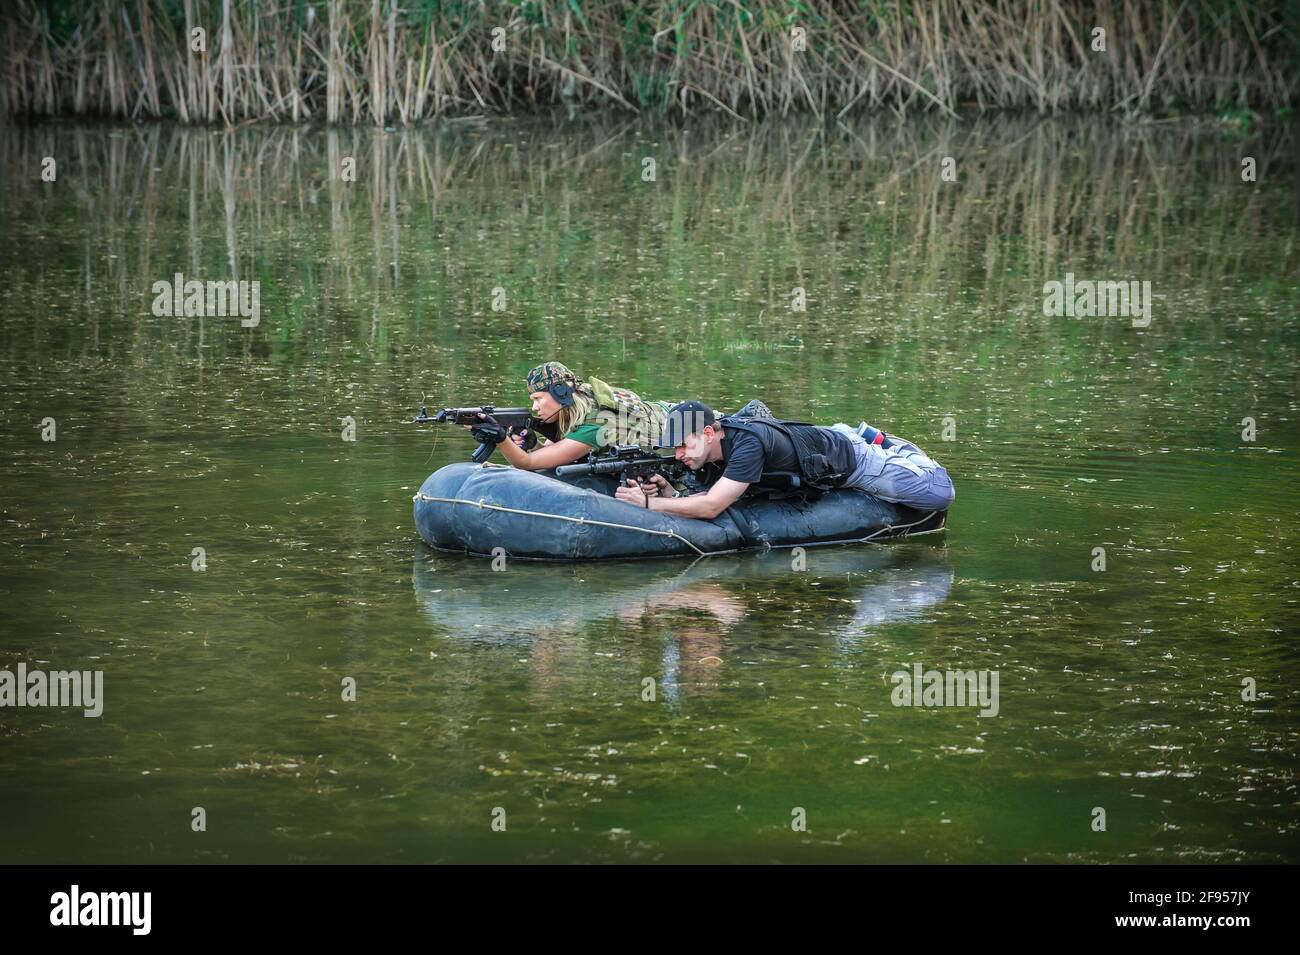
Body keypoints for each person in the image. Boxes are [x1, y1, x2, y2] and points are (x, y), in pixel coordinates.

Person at [613, 400, 955, 517]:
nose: (678, 455)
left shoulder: (746, 445)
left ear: (707, 433)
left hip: (855, 458)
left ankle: (891, 445)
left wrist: (648, 505)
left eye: (682, 445)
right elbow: (707, 493)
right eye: (673, 448)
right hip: (815, 443)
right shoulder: (710, 451)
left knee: (940, 494)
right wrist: (670, 492)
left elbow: (712, 506)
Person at [468, 362, 676, 470]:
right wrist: (534, 444)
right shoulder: (576, 408)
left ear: (561, 393)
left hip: (682, 423)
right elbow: (549, 456)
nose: (534, 407)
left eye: (538, 398)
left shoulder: (595, 426)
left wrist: (500, 438)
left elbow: (527, 463)